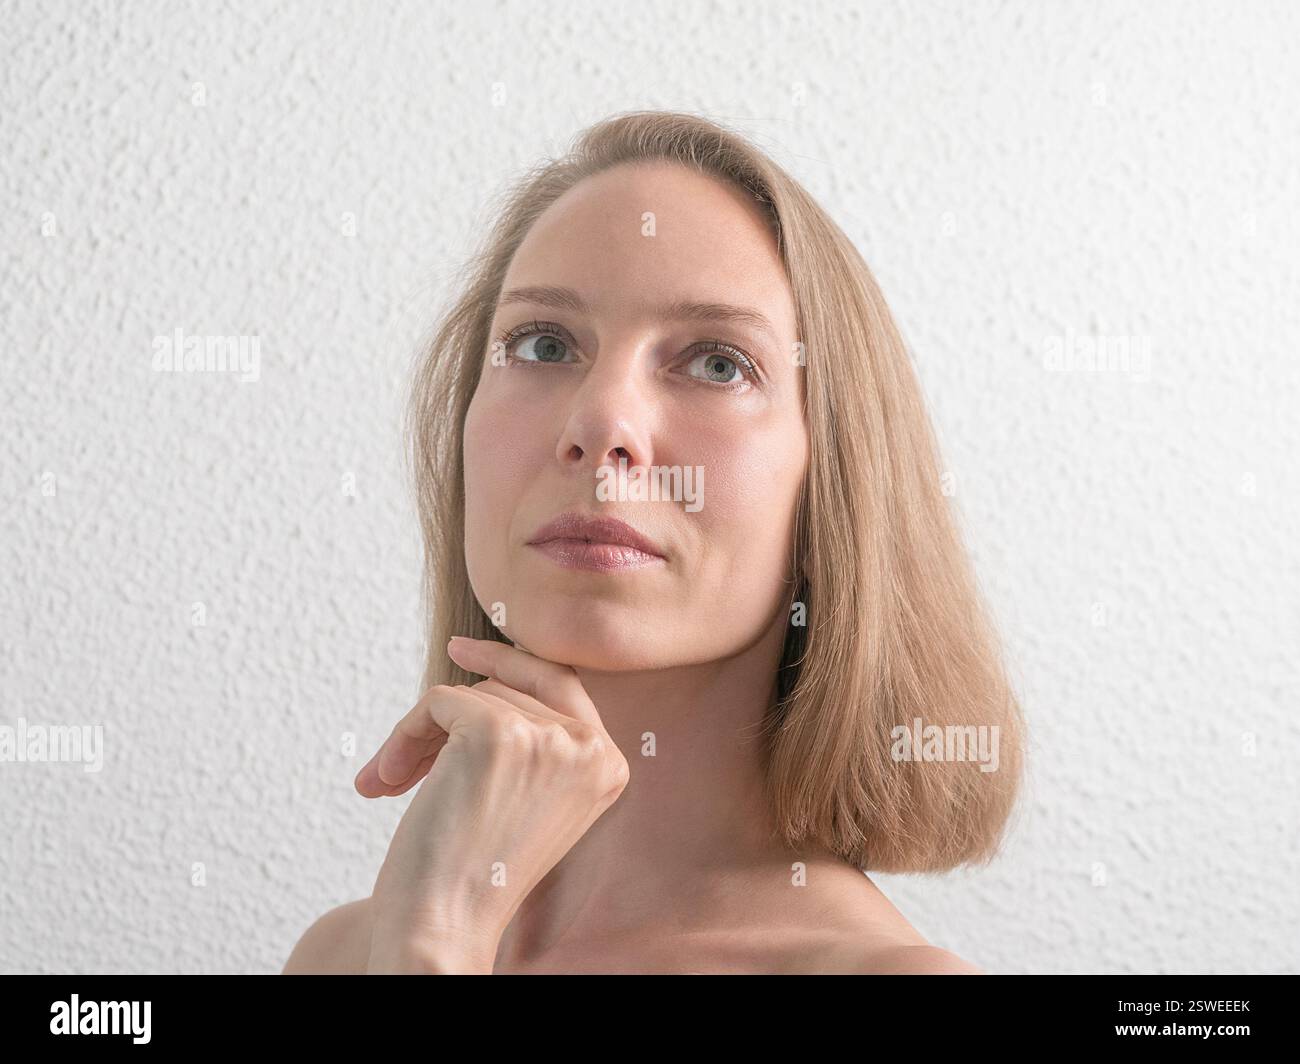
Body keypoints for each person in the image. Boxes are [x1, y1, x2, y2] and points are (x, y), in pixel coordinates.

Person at [283, 110, 1025, 975]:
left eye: (717, 362)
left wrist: (437, 944)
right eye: (543, 343)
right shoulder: (339, 955)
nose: (601, 424)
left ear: (837, 489)